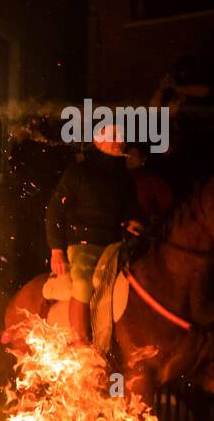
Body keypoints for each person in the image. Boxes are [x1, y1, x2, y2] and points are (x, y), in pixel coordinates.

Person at [46, 125, 142, 345]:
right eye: (112, 137)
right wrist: (57, 251)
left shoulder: (124, 179)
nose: (118, 141)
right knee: (82, 283)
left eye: (121, 137)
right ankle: (80, 347)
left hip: (115, 246)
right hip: (83, 245)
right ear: (97, 142)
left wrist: (136, 222)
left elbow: (132, 209)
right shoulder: (78, 172)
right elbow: (54, 210)